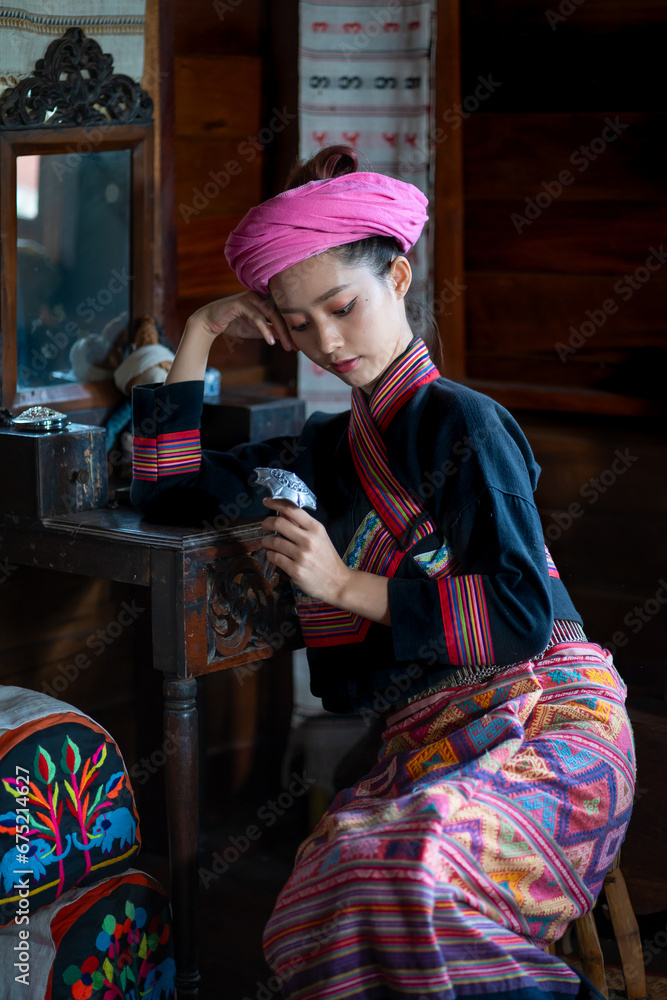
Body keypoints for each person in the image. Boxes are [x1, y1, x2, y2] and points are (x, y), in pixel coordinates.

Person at [130, 146, 635, 1000]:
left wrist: (339, 586)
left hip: (547, 725)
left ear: (397, 278)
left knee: (406, 875)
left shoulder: (466, 423)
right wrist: (203, 328)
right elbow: (168, 489)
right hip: (426, 744)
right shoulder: (322, 452)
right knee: (329, 889)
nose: (323, 343)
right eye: (295, 324)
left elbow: (517, 614)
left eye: (340, 308)